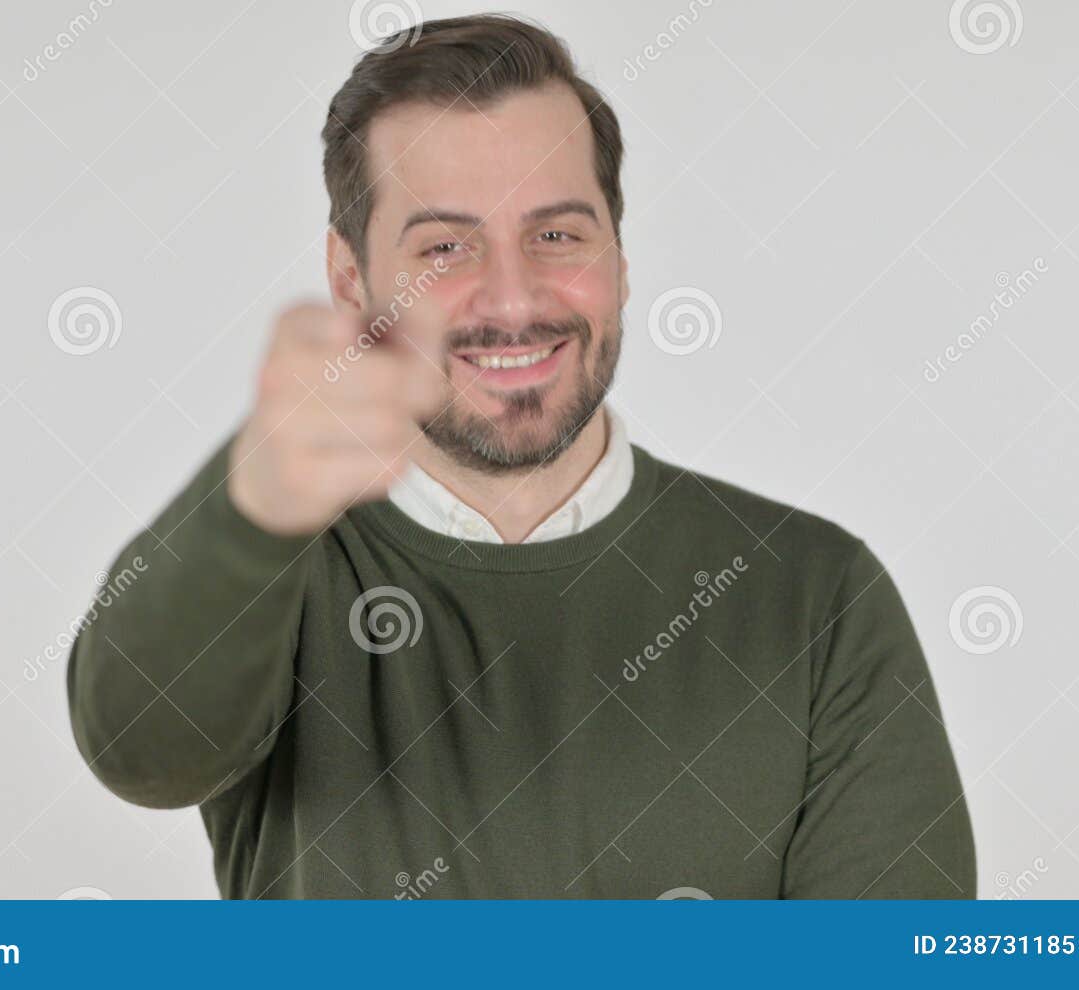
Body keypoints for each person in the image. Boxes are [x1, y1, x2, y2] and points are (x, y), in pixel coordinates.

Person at [66, 13, 974, 899]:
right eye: (445, 248)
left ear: (619, 259)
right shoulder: (268, 574)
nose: (511, 299)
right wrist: (252, 511)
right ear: (351, 281)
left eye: (556, 235)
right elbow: (138, 751)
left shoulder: (815, 593)